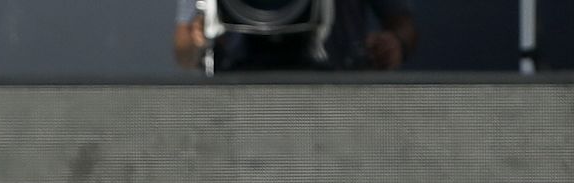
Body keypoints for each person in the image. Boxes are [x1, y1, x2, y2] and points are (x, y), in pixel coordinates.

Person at [174, 0, 417, 72]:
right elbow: (183, 48)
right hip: (241, 89)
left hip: (337, 87)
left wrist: (395, 43)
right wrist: (199, 39)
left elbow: (403, 23)